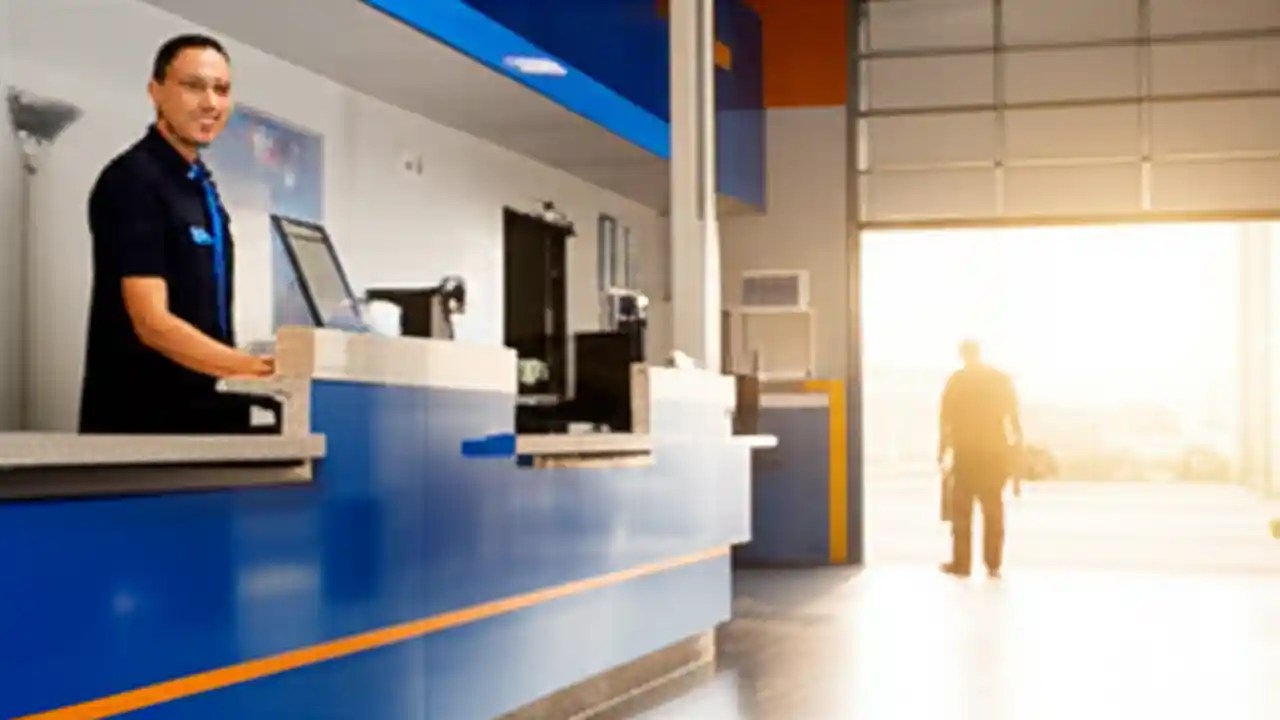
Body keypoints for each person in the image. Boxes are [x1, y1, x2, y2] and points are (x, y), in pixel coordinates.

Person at [79, 34, 275, 434]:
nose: (210, 103)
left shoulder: (200, 185)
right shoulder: (134, 180)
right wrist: (258, 369)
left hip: (208, 420)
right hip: (146, 431)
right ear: (156, 91)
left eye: (221, 89)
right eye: (193, 86)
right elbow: (152, 322)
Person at [937, 339, 1022, 578]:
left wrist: (942, 450)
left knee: (962, 512)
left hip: (966, 454)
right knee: (993, 509)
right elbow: (1014, 419)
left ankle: (962, 563)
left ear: (963, 354)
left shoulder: (957, 381)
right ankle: (993, 563)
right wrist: (1016, 454)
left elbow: (945, 419)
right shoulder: (1000, 380)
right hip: (995, 453)